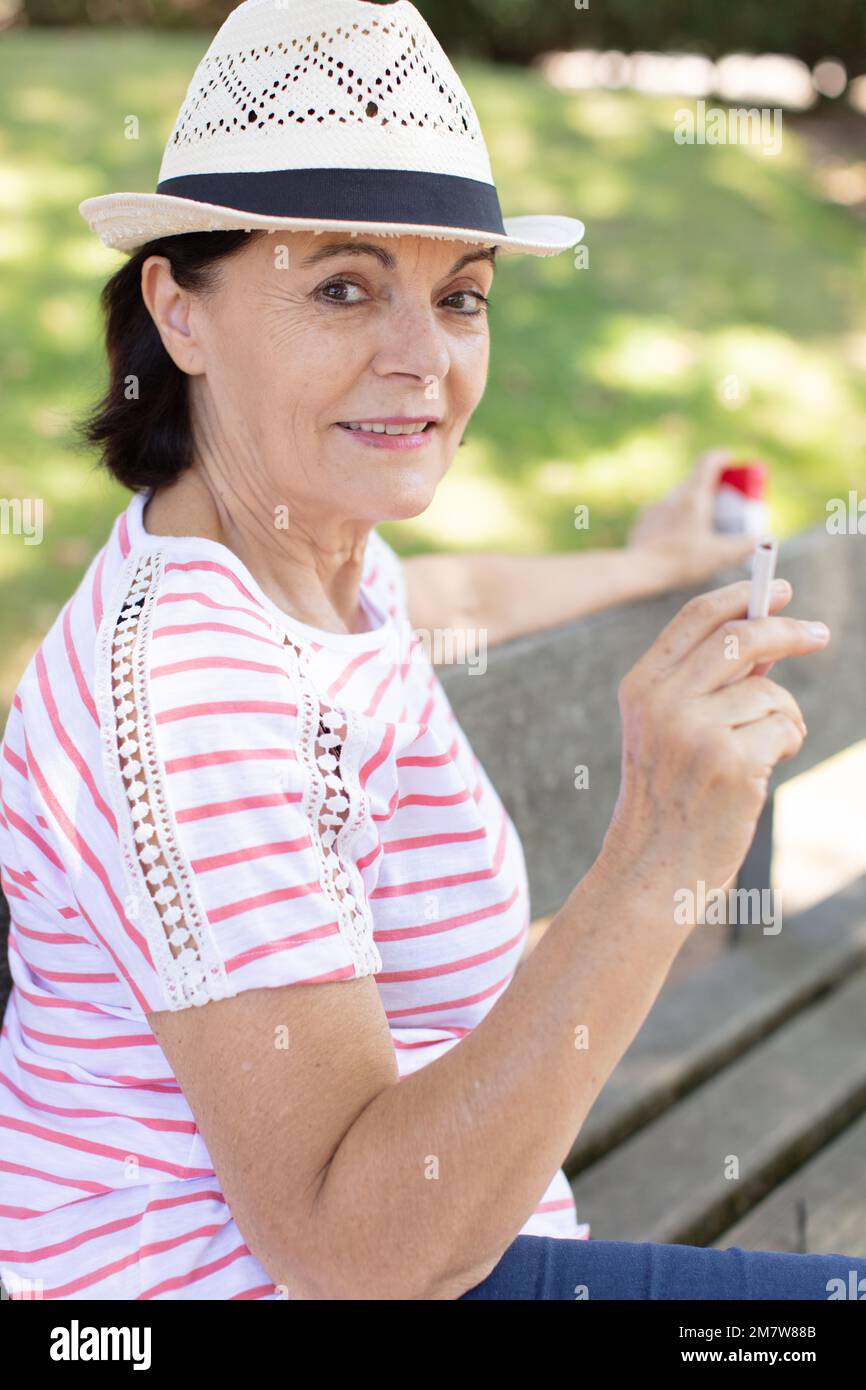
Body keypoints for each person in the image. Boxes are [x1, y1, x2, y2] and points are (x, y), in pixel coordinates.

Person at [0, 0, 857, 1300]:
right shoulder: (196, 698)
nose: (421, 360)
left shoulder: (294, 556)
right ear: (179, 308)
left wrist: (648, 561)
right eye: (343, 287)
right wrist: (662, 848)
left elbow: (456, 589)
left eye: (459, 295)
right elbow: (355, 1258)